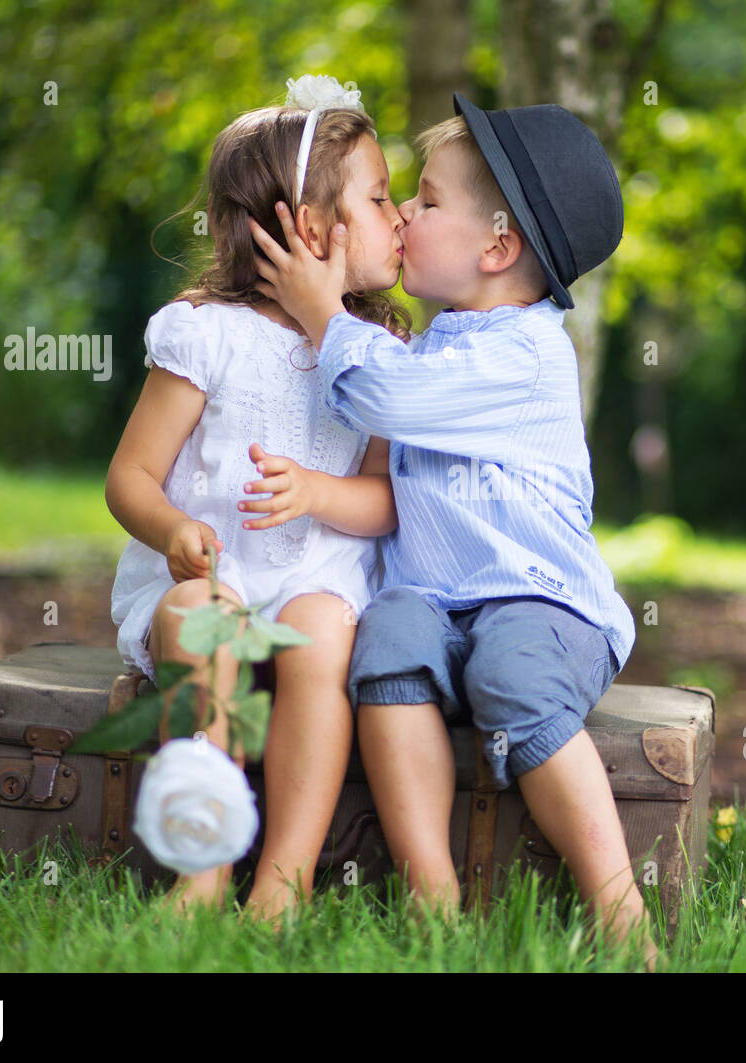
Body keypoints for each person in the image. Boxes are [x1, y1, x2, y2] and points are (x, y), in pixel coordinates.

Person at [248, 93, 658, 968]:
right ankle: (432, 889)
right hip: (438, 603)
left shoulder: (525, 352)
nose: (401, 213)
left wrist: (323, 313)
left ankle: (617, 904)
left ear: (497, 246)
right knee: (387, 636)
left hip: (543, 607)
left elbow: (386, 397)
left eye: (425, 201)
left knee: (511, 670)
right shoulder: (437, 341)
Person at [105, 77, 406, 922]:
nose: (401, 216)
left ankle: (285, 877)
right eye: (381, 198)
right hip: (219, 568)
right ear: (310, 229)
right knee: (201, 617)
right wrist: (173, 529)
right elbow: (129, 476)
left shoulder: (379, 348)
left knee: (321, 634)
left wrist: (316, 492)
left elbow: (385, 501)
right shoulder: (206, 334)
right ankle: (202, 868)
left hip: (318, 574)